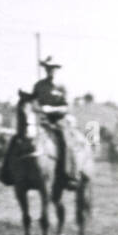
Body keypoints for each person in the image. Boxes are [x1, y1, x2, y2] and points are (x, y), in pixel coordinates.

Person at [32, 56, 77, 185]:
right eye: (48, 68)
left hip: (58, 120)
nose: (50, 70)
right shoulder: (39, 85)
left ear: (57, 69)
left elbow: (67, 107)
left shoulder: (62, 86)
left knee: (65, 141)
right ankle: (10, 172)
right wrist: (38, 109)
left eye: (53, 68)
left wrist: (51, 109)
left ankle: (70, 174)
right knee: (21, 138)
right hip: (41, 120)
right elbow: (33, 102)